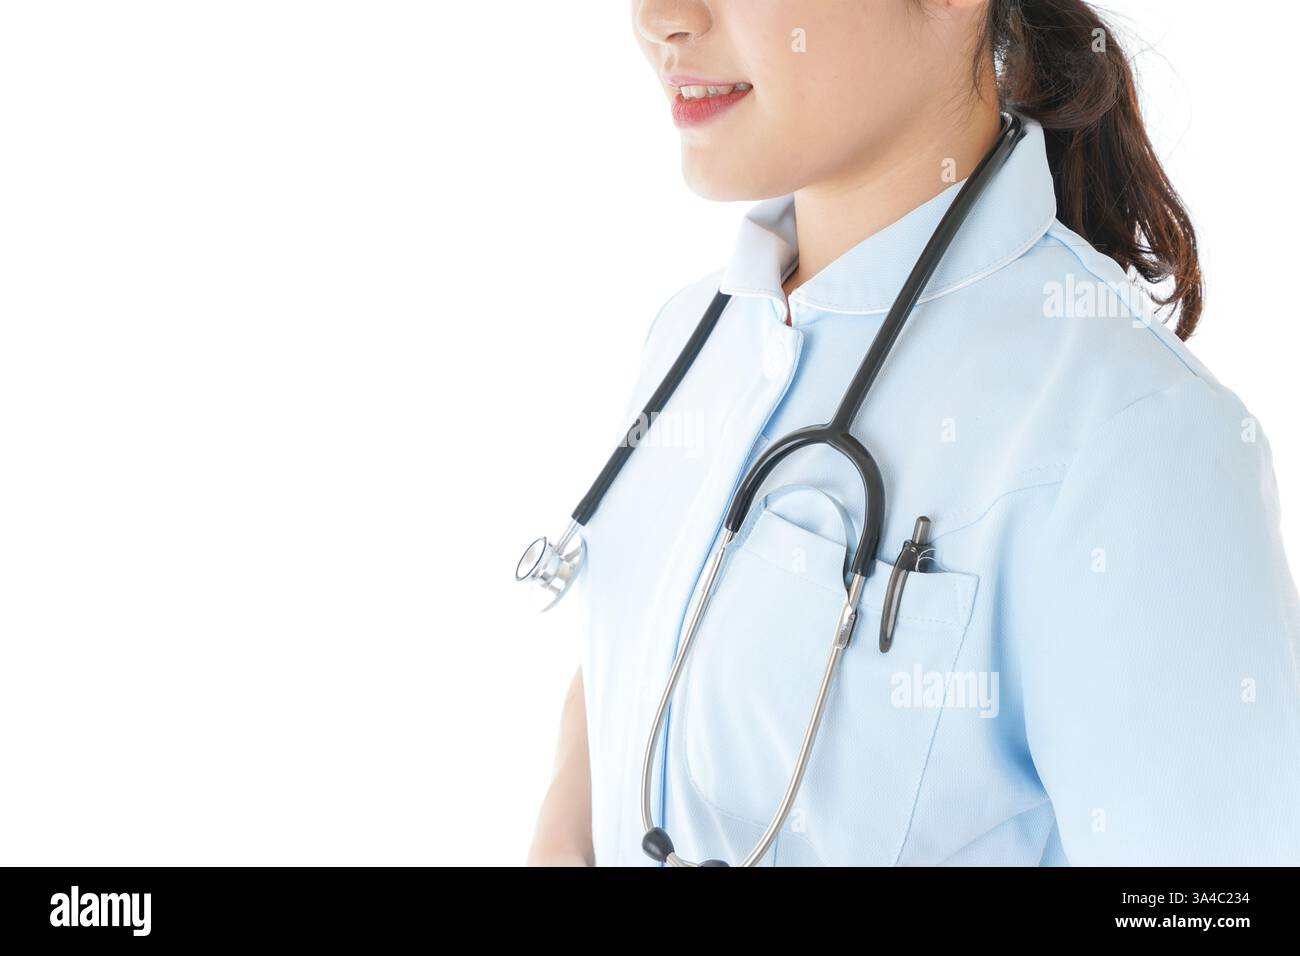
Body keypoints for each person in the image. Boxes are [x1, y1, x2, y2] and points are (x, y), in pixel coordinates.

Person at [527, 0, 1300, 866]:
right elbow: (646, 644)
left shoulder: (1134, 440)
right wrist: (562, 830)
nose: (658, 18)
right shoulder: (693, 335)